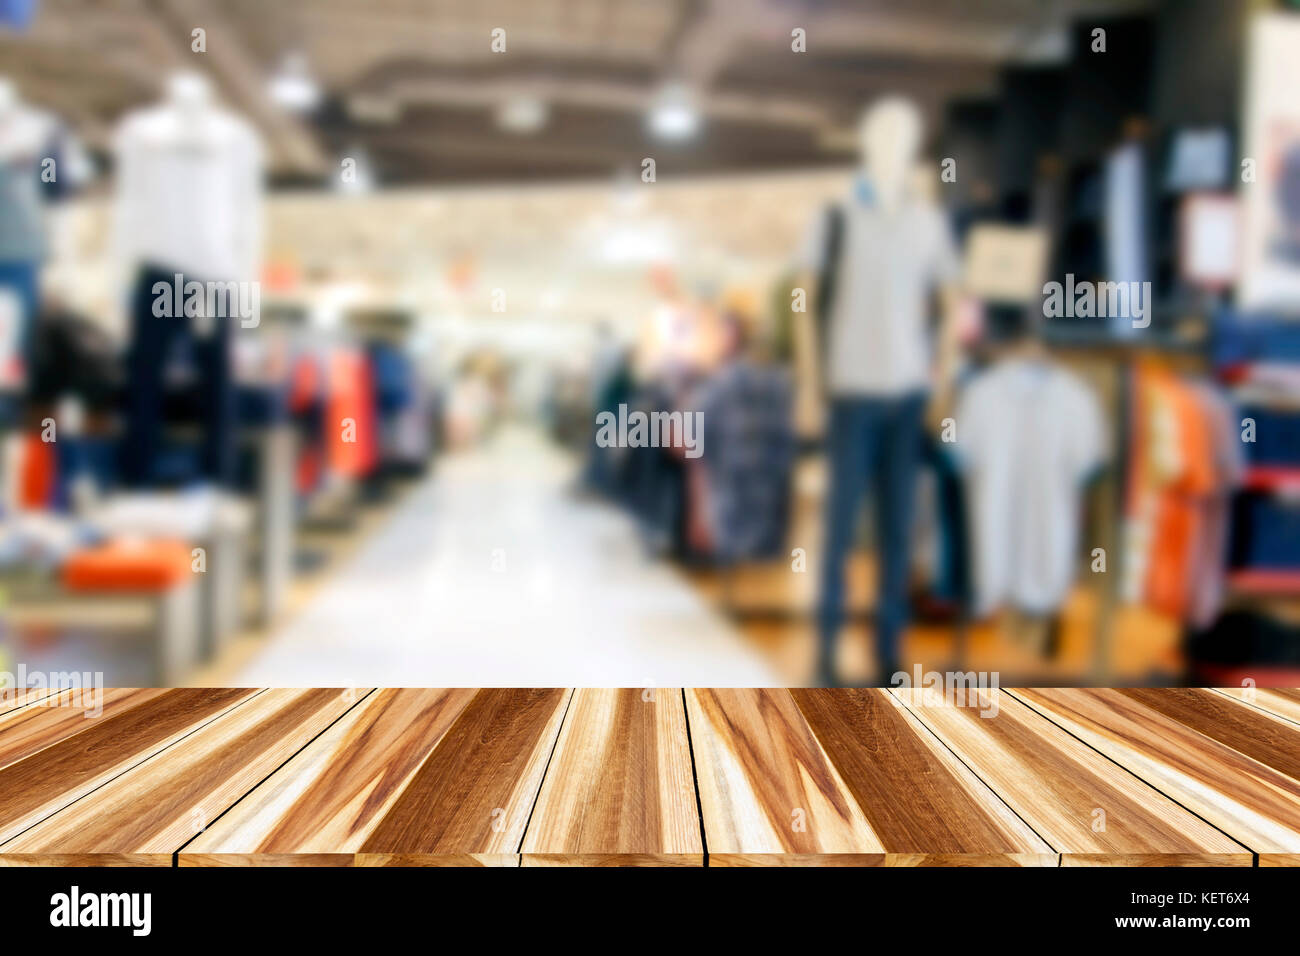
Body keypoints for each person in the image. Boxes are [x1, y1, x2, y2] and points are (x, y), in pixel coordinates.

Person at [798, 96, 962, 686]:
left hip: (906, 395)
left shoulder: (927, 222)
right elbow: (805, 302)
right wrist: (810, 387)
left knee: (898, 528)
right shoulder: (835, 217)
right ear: (865, 144)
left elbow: (950, 302)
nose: (892, 147)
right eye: (882, 136)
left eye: (904, 137)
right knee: (839, 526)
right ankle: (825, 646)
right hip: (850, 394)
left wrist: (940, 374)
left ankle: (887, 648)